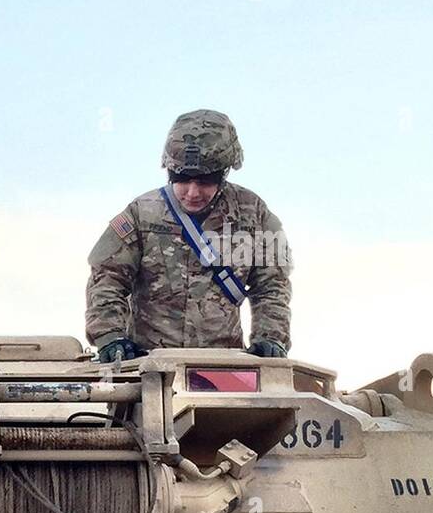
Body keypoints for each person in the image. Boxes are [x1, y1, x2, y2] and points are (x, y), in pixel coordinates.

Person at [85, 109, 291, 362]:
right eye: (181, 179)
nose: (193, 192)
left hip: (223, 368)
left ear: (224, 173)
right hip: (148, 366)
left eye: (205, 181)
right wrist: (110, 337)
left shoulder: (253, 214)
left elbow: (273, 285)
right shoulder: (142, 213)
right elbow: (107, 277)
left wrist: (270, 338)